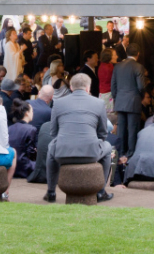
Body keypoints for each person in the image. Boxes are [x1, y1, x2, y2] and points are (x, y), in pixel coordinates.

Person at [43, 72, 114, 203]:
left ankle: (51, 191)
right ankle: (101, 191)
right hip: (91, 153)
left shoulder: (58, 103)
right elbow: (103, 133)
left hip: (62, 153)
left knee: (51, 146)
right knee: (108, 147)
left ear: (71, 87)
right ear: (88, 88)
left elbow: (53, 132)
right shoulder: (99, 103)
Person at [112, 40, 147, 158]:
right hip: (133, 101)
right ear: (138, 54)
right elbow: (141, 86)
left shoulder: (117, 66)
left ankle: (120, 154)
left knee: (121, 129)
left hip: (120, 101)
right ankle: (131, 156)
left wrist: (117, 99)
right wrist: (141, 97)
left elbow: (113, 86)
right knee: (133, 129)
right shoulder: (138, 67)